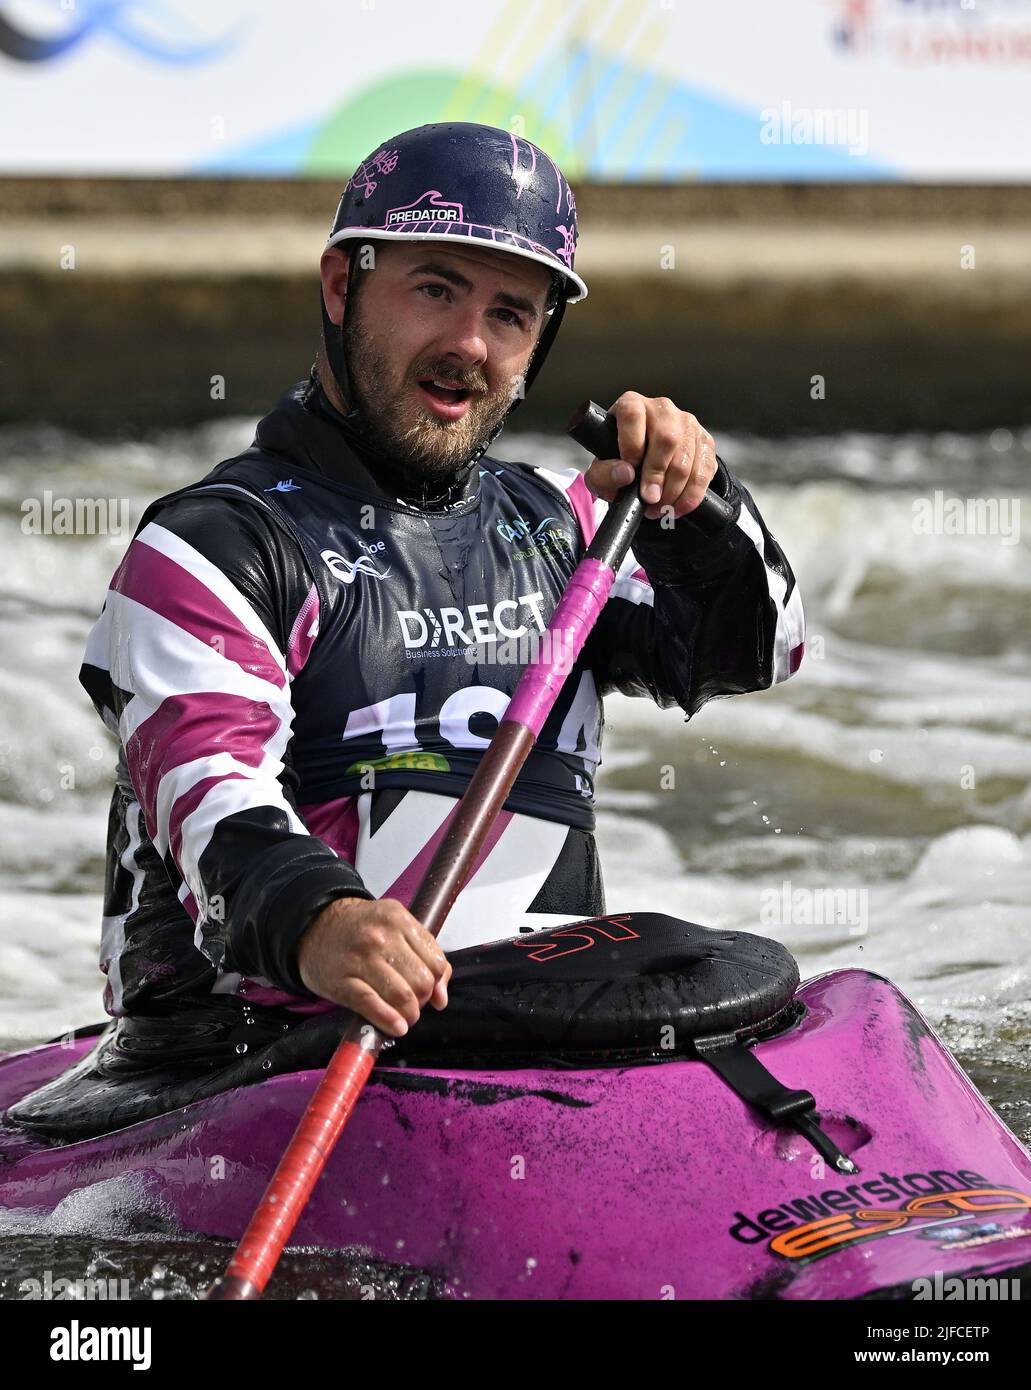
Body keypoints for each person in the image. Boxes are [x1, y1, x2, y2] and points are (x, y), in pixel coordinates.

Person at [11, 123, 804, 1137]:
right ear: (343, 284)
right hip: (243, 1066)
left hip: (520, 1046)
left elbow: (756, 651)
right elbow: (210, 797)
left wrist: (699, 512)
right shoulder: (215, 544)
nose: (470, 345)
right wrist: (326, 923)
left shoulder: (562, 527)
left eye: (510, 313)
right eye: (435, 290)